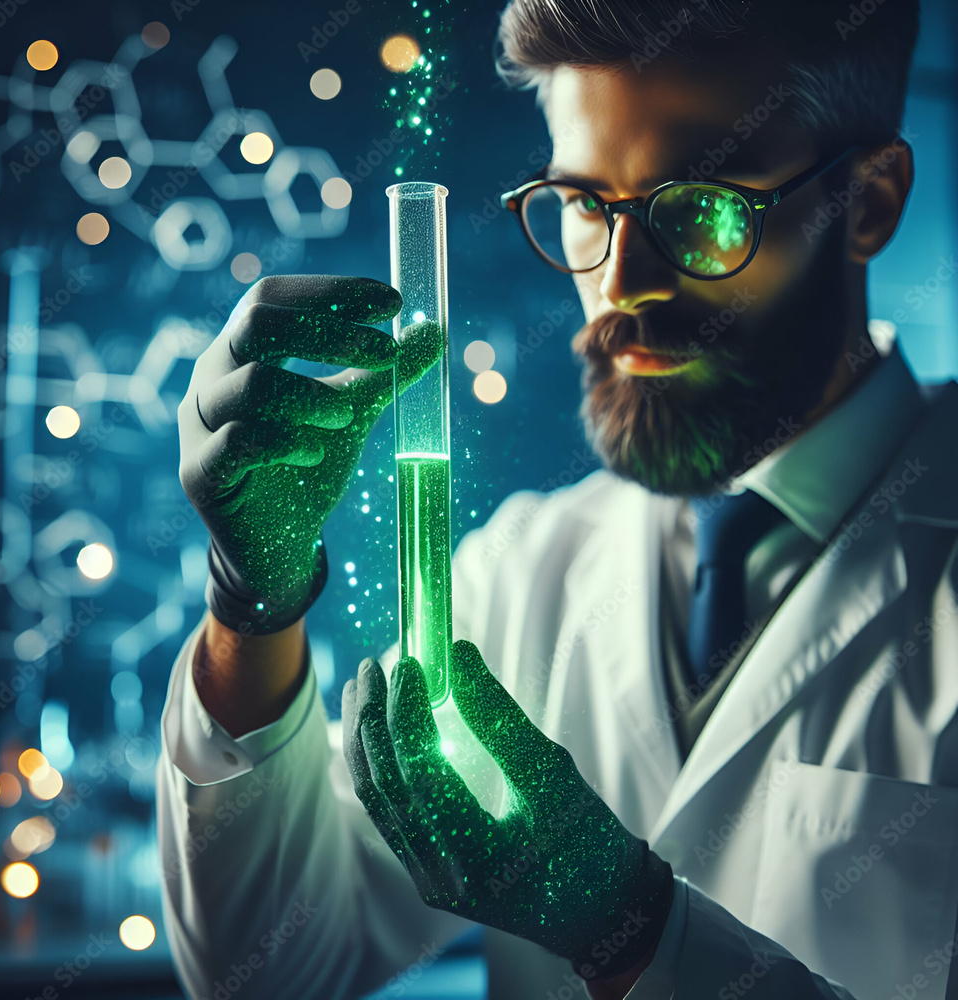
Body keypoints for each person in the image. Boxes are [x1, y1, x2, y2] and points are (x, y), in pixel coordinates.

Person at [156, 1, 958, 998]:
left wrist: (629, 930)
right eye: (584, 202)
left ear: (868, 202)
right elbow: (269, 970)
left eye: (700, 207)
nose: (622, 283)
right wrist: (252, 603)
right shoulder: (518, 574)